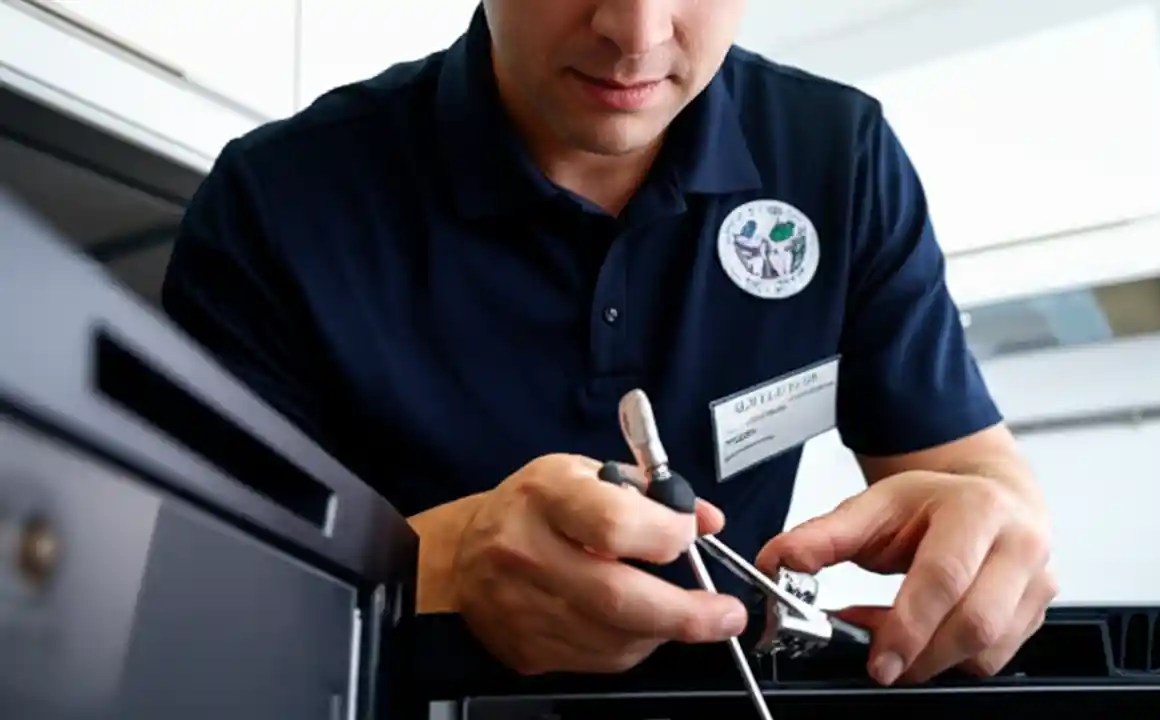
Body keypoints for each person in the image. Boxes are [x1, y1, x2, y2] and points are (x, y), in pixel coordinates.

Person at [161, 0, 1057, 688]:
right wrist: (439, 563)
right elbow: (188, 590)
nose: (635, 34)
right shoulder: (279, 199)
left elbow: (974, 474)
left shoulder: (839, 158)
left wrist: (995, 528)